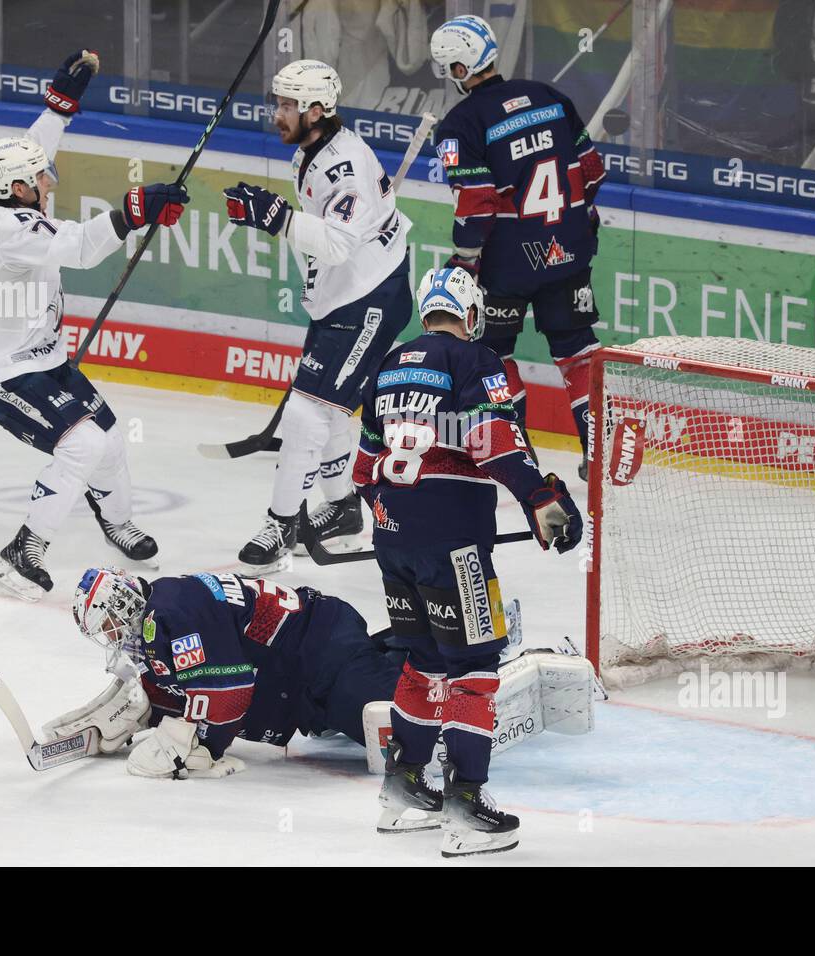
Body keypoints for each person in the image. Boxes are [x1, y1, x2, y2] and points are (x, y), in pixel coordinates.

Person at [352, 265, 584, 857]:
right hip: (454, 542)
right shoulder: (475, 361)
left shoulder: (388, 367)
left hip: (394, 540)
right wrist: (541, 498)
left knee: (423, 659)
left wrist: (400, 518)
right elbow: (493, 440)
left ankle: (403, 789)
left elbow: (362, 471)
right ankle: (465, 805)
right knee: (476, 664)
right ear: (471, 312)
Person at [0, 49, 188, 601]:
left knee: (108, 439)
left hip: (42, 357)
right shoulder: (5, 232)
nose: (48, 179)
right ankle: (24, 552)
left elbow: (34, 153)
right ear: (18, 188)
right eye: (40, 176)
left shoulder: (6, 203)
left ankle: (118, 522)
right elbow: (81, 249)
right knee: (81, 445)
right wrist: (135, 210)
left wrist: (59, 109)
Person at [49, 567, 594, 787]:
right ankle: (468, 632)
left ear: (123, 603)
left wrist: (199, 743)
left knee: (392, 726)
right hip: (303, 664)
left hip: (319, 655)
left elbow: (230, 687)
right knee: (381, 682)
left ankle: (506, 655)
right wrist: (147, 706)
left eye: (109, 621)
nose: (111, 632)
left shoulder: (172, 611)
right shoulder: (161, 613)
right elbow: (199, 676)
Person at [223, 59, 413, 572]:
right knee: (326, 408)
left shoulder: (343, 166)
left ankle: (281, 524)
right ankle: (347, 509)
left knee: (307, 411)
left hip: (371, 297)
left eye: (287, 106)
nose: (277, 115)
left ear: (316, 109)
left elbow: (336, 243)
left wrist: (275, 217)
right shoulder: (312, 151)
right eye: (277, 103)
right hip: (344, 294)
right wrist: (276, 217)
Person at [429, 15, 607, 479]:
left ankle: (519, 458)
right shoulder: (551, 97)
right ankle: (597, 447)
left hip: (507, 262)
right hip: (568, 249)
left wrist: (466, 259)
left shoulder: (461, 123)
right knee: (577, 350)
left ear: (459, 69)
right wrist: (577, 225)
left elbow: (476, 203)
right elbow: (594, 171)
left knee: (492, 353)